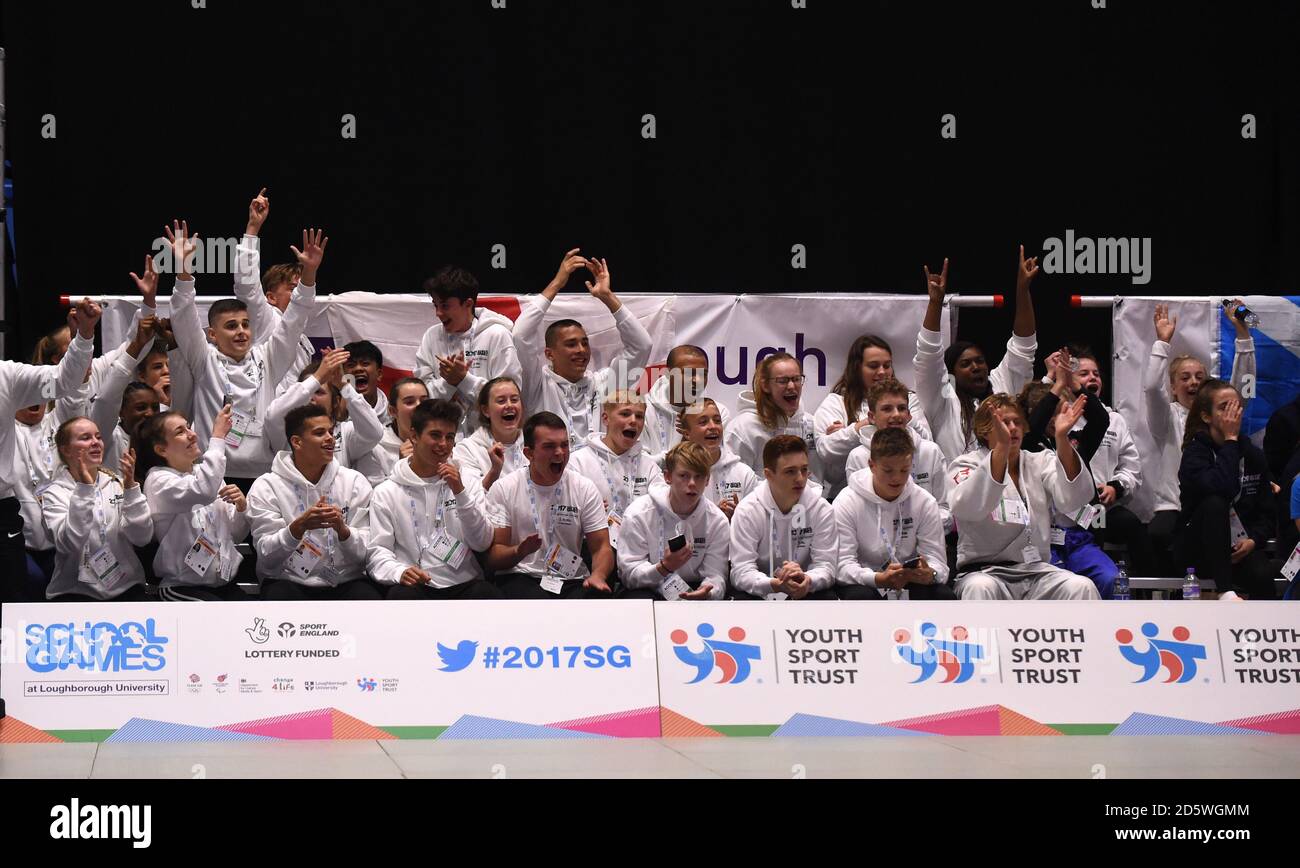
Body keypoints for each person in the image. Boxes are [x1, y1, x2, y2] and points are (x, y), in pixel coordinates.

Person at [169, 220, 323, 488]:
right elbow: (183, 316)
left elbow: (294, 320)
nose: (241, 331)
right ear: (213, 335)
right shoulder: (204, 359)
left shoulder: (267, 358)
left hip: (263, 476)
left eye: (245, 324)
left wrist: (308, 276)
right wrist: (183, 271)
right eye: (231, 326)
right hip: (213, 474)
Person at [948, 393, 1100, 600]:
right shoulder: (966, 465)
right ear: (984, 430)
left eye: (1017, 422)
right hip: (986, 572)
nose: (1012, 428)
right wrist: (1001, 449)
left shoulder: (1040, 461)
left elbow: (1073, 498)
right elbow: (969, 508)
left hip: (1037, 571)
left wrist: (1062, 439)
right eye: (1004, 422)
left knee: (1080, 586)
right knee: (979, 588)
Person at [0, 296, 100, 603]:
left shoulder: (7, 377)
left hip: (0, 513)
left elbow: (64, 381)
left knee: (12, 606)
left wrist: (83, 335)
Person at [1144, 300, 1256, 568]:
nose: (1193, 382)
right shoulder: (1166, 418)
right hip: (1173, 509)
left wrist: (1243, 335)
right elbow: (1150, 388)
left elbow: (1244, 390)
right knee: (1158, 536)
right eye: (1184, 378)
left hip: (1216, 506)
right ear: (1172, 387)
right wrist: (1162, 344)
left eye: (1199, 377)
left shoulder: (1220, 417)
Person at [512, 249, 652, 451]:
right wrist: (557, 284)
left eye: (584, 343)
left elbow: (642, 345)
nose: (581, 350)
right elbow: (520, 335)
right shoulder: (536, 384)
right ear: (549, 354)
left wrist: (607, 297)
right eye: (571, 344)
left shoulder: (605, 383)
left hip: (599, 478)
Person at [914, 252, 1040, 462]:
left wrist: (1022, 290)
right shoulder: (942, 399)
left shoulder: (1001, 386)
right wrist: (935, 304)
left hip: (1008, 488)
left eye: (979, 361)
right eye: (965, 364)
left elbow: (1024, 346)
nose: (976, 367)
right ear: (951, 372)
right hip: (959, 490)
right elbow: (928, 355)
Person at [368, 400, 500, 599]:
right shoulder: (386, 491)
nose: (443, 445)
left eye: (449, 437)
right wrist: (398, 572)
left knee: (490, 595)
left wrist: (460, 493)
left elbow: (482, 543)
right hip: (415, 584)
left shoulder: (468, 481)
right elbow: (378, 551)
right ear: (414, 436)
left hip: (465, 583)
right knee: (400, 596)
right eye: (435, 435)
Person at [247, 404, 381, 600]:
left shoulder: (354, 482)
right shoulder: (266, 486)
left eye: (331, 431)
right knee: (278, 597)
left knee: (369, 599)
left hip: (345, 580)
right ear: (297, 442)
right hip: (287, 580)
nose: (330, 438)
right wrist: (298, 528)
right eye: (320, 433)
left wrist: (343, 532)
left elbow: (367, 552)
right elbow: (266, 555)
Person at [485, 412, 614, 598]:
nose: (560, 452)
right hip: (522, 576)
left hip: (571, 579)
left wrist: (598, 575)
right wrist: (519, 551)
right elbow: (494, 556)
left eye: (564, 445)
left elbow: (602, 547)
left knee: (598, 596)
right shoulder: (505, 488)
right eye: (549, 446)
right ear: (529, 453)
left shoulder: (584, 488)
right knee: (533, 600)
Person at [135, 405, 252, 600]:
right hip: (181, 587)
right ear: (161, 449)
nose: (192, 435)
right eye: (180, 431)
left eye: (189, 427)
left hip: (225, 584)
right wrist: (217, 437)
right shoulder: (158, 481)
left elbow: (235, 535)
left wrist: (241, 508)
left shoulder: (206, 475)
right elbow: (203, 491)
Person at [1175, 380, 1276, 600]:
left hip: (1240, 547)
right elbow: (1223, 487)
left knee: (1263, 573)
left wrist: (1253, 541)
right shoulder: (1195, 453)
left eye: (1236, 407)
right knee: (1215, 502)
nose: (1232, 415)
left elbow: (1267, 513)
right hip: (1198, 548)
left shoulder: (1253, 455)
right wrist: (1230, 441)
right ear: (1206, 417)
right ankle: (1224, 591)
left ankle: (1261, 631)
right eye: (1224, 408)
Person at [833, 427, 952, 600]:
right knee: (859, 596)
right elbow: (842, 566)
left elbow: (938, 563)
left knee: (942, 595)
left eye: (904, 470)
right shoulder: (846, 502)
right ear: (872, 465)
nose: (897, 478)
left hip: (909, 581)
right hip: (866, 582)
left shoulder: (924, 502)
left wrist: (930, 573)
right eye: (888, 471)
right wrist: (877, 579)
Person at [42, 418, 152, 601]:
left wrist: (132, 489)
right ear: (65, 449)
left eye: (98, 437)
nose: (95, 442)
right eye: (85, 438)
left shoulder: (117, 483)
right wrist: (85, 489)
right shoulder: (54, 493)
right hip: (75, 592)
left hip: (127, 587)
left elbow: (142, 538)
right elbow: (70, 544)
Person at [815, 335, 930, 496]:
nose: (882, 372)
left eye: (887, 365)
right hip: (847, 496)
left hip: (906, 494)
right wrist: (858, 428)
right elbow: (825, 449)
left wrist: (898, 419)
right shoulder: (836, 402)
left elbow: (927, 441)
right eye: (873, 366)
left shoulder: (909, 399)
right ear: (857, 368)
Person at [413, 266, 522, 434]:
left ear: (468, 304)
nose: (438, 313)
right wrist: (448, 383)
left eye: (445, 306)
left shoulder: (497, 335)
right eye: (435, 305)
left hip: (490, 441)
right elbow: (421, 399)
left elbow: (510, 396)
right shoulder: (431, 336)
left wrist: (464, 379)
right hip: (442, 440)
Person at [729, 435, 838, 600]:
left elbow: (827, 566)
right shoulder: (747, 511)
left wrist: (808, 580)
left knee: (826, 596)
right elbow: (741, 571)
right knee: (742, 599)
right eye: (790, 472)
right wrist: (774, 584)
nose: (800, 479)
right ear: (768, 475)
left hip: (805, 588)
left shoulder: (821, 509)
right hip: (762, 592)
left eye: (804, 470)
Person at [617, 442, 729, 600]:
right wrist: (664, 568)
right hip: (649, 588)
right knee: (636, 598)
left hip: (696, 589)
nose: (692, 483)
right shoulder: (638, 514)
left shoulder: (718, 521)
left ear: (708, 479)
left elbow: (716, 575)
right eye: (684, 476)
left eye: (699, 476)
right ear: (667, 477)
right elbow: (628, 575)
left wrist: (708, 592)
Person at [844, 379, 951, 533]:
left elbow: (944, 508)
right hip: (877, 550)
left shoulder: (931, 452)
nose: (896, 414)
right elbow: (859, 514)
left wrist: (917, 532)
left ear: (908, 415)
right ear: (872, 416)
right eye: (887, 409)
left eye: (901, 408)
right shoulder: (858, 456)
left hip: (924, 546)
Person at [237, 188, 317, 393]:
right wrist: (253, 228)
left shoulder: (304, 340)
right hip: (269, 411)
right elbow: (247, 286)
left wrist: (310, 271)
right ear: (270, 297)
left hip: (297, 415)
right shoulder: (264, 319)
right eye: (293, 289)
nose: (299, 294)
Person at [566, 391, 662, 550]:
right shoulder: (577, 462)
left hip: (639, 549)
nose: (633, 421)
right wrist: (583, 510)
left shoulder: (650, 467)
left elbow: (664, 508)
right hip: (590, 548)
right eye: (625, 414)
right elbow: (563, 514)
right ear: (605, 419)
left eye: (639, 416)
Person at [265, 349, 384, 470]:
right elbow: (273, 416)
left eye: (318, 392)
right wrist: (317, 377)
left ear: (336, 402)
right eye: (307, 393)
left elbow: (374, 433)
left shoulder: (345, 432)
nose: (310, 398)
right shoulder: (285, 430)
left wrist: (345, 386)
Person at [726, 353, 824, 489]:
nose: (791, 386)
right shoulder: (743, 428)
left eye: (796, 379)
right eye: (782, 381)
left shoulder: (809, 423)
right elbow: (735, 481)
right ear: (765, 385)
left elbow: (817, 477)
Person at [640, 344, 730, 463]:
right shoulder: (643, 410)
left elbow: (724, 462)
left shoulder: (718, 413)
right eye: (689, 374)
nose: (697, 380)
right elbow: (637, 465)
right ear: (668, 374)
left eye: (703, 374)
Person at [678, 398, 758, 520]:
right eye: (703, 422)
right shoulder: (678, 476)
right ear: (687, 434)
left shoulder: (744, 474)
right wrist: (713, 517)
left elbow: (757, 524)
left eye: (717, 421)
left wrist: (739, 518)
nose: (713, 426)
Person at [452, 376, 527, 491]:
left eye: (514, 399)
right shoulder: (467, 450)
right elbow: (471, 501)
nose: (509, 405)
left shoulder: (536, 443)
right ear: (486, 410)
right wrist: (494, 471)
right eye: (501, 401)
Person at [356, 377, 429, 485]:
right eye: (409, 402)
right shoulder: (374, 448)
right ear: (392, 411)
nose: (419, 406)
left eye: (424, 401)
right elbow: (371, 497)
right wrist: (401, 468)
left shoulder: (443, 440)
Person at [342, 340, 390, 426]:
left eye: (365, 363)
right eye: (351, 365)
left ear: (379, 374)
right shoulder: (333, 416)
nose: (358, 369)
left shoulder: (394, 415)